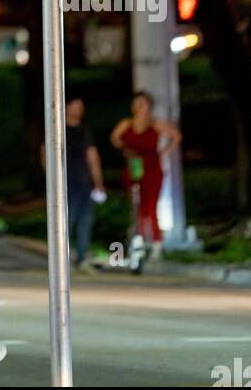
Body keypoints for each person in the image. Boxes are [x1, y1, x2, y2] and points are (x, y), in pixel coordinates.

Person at [110, 90, 181, 259]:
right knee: (137, 207)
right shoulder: (127, 124)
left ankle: (156, 244)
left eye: (143, 103)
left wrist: (164, 152)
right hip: (134, 166)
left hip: (151, 168)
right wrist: (124, 149)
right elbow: (114, 138)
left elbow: (176, 136)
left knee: (151, 207)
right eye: (137, 103)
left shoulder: (155, 124)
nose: (139, 106)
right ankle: (138, 241)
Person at [43, 95, 106, 267]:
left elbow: (92, 156)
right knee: (66, 218)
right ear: (67, 106)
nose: (79, 110)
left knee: (86, 218)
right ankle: (61, 257)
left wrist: (98, 182)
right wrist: (50, 178)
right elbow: (45, 152)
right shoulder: (56, 128)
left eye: (81, 106)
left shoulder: (84, 130)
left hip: (84, 181)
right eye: (76, 106)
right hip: (64, 181)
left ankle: (81, 255)